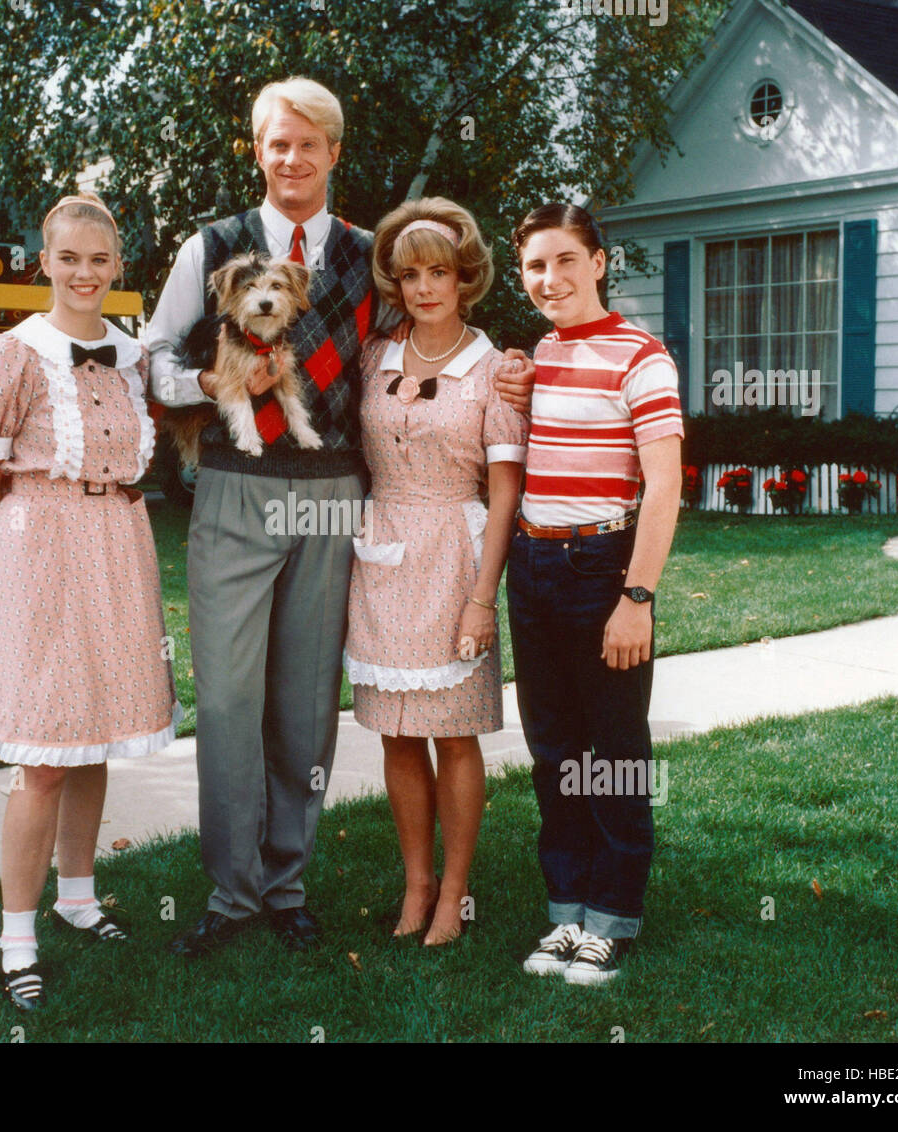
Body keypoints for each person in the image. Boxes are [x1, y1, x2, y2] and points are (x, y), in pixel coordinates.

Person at [147, 77, 394, 956]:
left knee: (304, 702)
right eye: (276, 144)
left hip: (330, 490)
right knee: (226, 699)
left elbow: (414, 345)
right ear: (259, 151)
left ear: (333, 153)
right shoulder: (211, 245)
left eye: (308, 144)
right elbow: (153, 356)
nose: (292, 159)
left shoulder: (370, 252)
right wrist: (210, 382)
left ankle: (286, 884)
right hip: (235, 487)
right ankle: (232, 892)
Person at [0, 192, 183, 1009]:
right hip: (38, 546)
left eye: (99, 259)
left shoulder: (133, 356)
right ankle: (16, 939)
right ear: (44, 263)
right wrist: (6, 566)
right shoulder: (12, 354)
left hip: (118, 543)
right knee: (41, 757)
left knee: (93, 737)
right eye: (68, 258)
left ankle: (77, 897)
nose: (84, 273)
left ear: (117, 266)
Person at [499, 203, 682, 985]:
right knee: (554, 750)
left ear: (599, 263)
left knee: (614, 751)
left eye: (565, 260)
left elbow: (665, 485)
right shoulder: (542, 352)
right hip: (532, 564)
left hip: (602, 569)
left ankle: (612, 917)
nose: (550, 278)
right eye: (535, 266)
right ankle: (566, 911)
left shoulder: (642, 356)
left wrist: (636, 596)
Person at [344, 199, 528, 946]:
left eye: (439, 273)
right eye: (410, 274)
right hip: (380, 555)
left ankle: (455, 891)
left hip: (455, 556)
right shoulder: (374, 358)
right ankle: (416, 883)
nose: (424, 288)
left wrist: (483, 598)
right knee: (396, 733)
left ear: (465, 278)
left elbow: (506, 490)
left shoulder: (494, 371)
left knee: (453, 734)